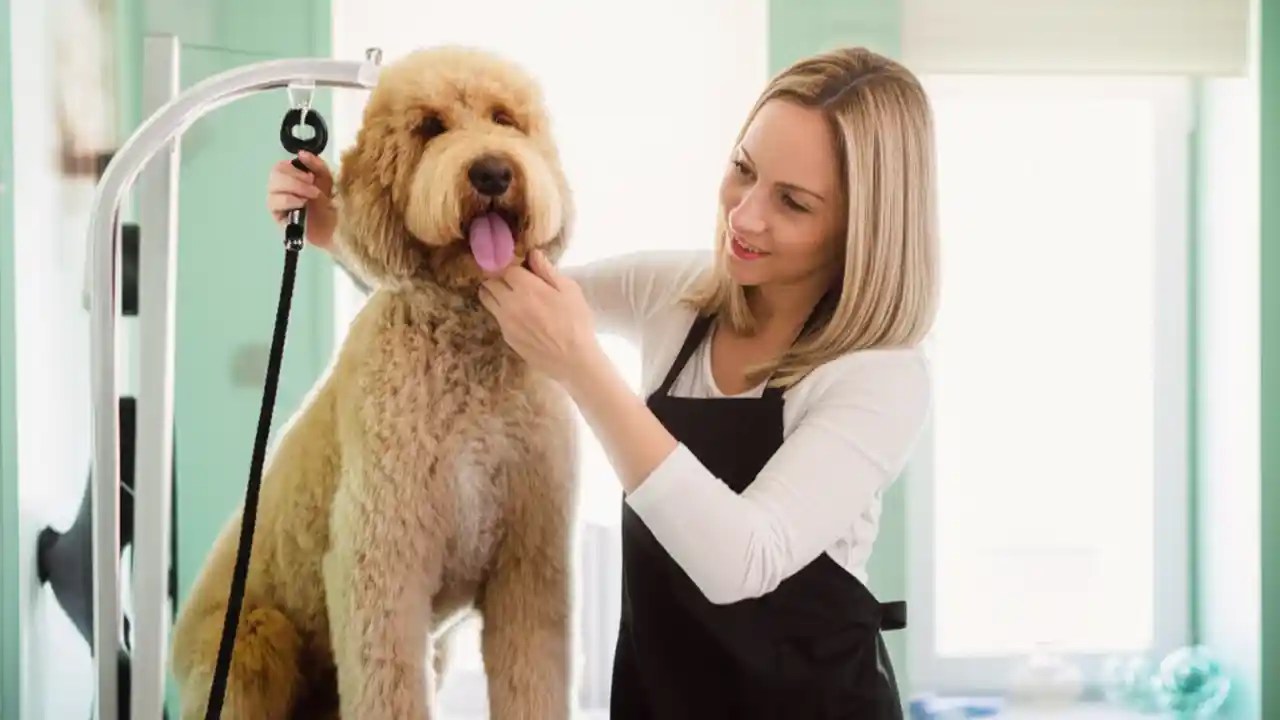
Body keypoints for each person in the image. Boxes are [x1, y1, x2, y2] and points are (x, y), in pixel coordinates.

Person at [266, 45, 935, 720]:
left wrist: (582, 368)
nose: (745, 215)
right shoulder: (682, 293)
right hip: (657, 703)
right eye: (743, 170)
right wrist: (340, 232)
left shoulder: (880, 378)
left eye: (791, 202)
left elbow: (742, 559)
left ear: (861, 226)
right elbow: (479, 301)